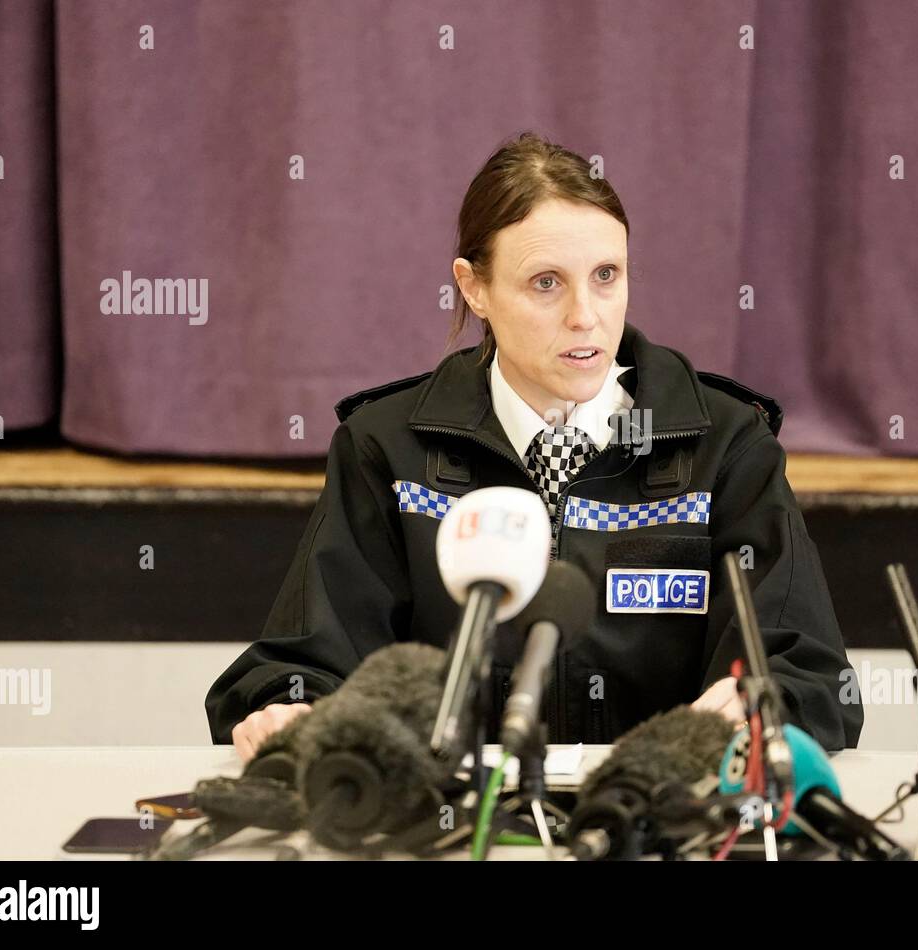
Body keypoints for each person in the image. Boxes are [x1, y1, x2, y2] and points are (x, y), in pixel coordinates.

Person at [206, 131, 862, 762]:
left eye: (607, 275)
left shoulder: (725, 445)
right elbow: (298, 667)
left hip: (655, 823)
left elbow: (814, 680)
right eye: (546, 283)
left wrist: (765, 701)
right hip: (449, 828)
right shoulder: (385, 446)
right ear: (474, 288)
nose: (586, 314)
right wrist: (288, 710)